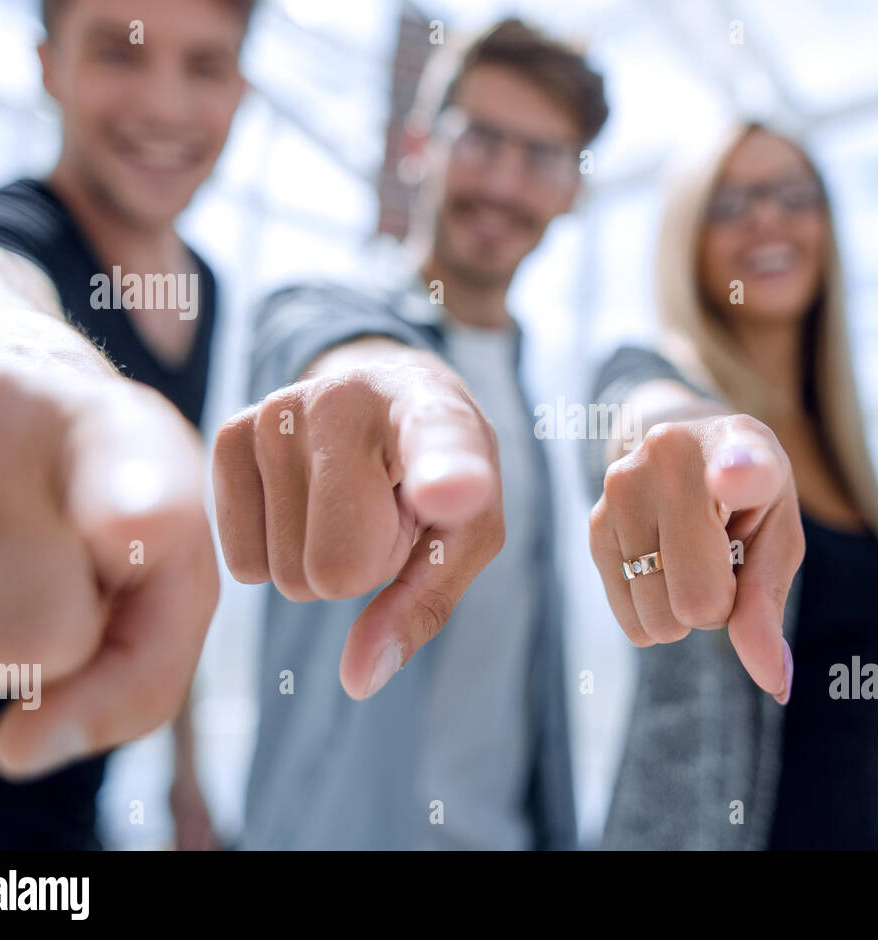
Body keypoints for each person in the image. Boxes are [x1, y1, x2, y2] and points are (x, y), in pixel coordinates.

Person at [213, 19, 606, 849]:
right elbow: (316, 340)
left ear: (574, 188)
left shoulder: (536, 395)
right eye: (482, 140)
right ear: (420, 144)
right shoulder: (325, 311)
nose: (503, 182)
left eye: (541, 157)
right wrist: (387, 380)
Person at [0, 0, 248, 849]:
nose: (165, 106)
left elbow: (156, 541)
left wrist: (189, 785)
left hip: (71, 812)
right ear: (49, 66)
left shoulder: (199, 287)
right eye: (120, 53)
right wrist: (6, 355)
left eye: (206, 66)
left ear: (242, 88)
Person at [584, 121, 878, 849]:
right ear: (688, 240)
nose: (767, 217)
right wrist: (686, 438)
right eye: (730, 203)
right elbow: (639, 416)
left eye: (792, 194)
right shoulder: (652, 373)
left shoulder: (840, 441)